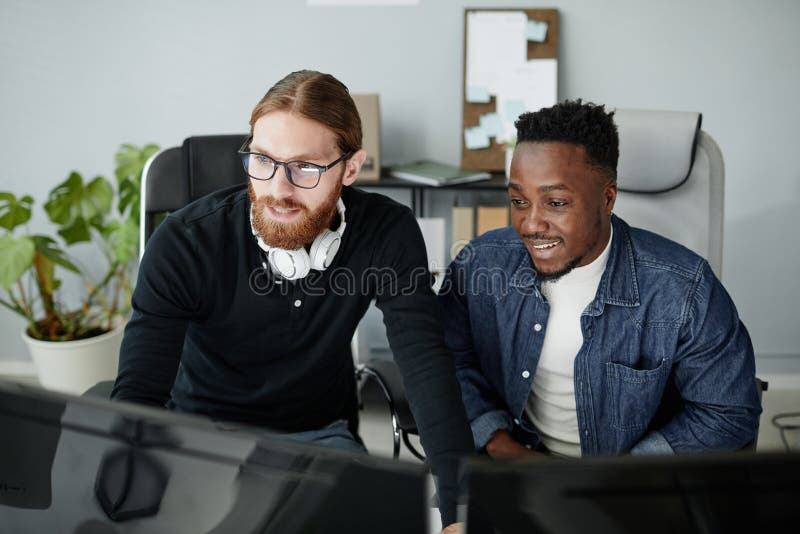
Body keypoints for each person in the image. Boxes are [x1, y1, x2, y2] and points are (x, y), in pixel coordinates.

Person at [112, 70, 473, 530]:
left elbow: (425, 365)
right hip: (200, 437)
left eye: (304, 167)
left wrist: (460, 509)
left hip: (318, 439)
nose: (278, 189)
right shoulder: (186, 241)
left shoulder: (387, 233)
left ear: (350, 168)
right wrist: (131, 485)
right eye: (262, 159)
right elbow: (139, 393)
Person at [438, 99, 761, 459]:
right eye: (519, 201)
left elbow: (727, 414)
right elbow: (448, 361)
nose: (530, 224)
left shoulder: (684, 289)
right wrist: (502, 447)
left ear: (608, 198)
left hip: (634, 487)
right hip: (517, 466)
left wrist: (615, 480)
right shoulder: (481, 264)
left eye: (556, 203)